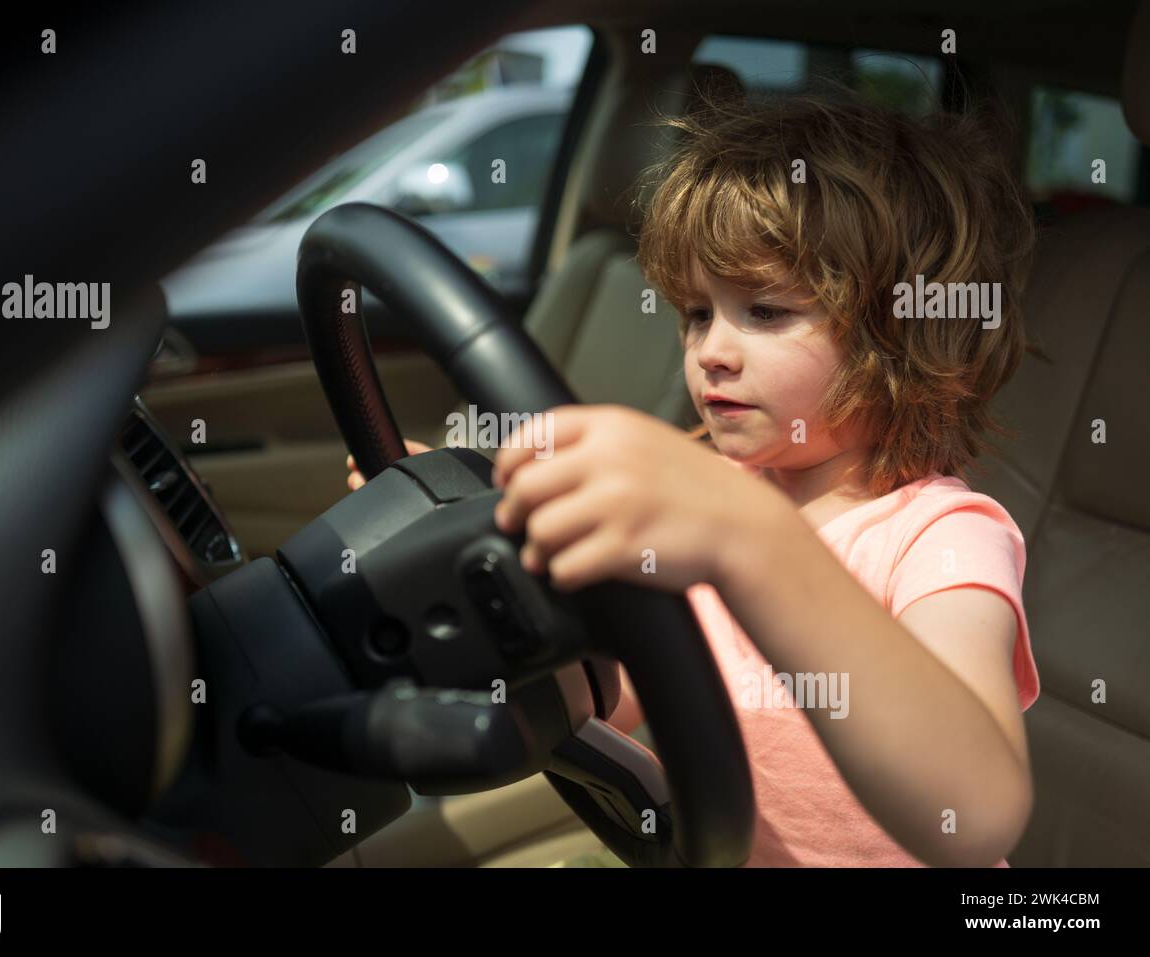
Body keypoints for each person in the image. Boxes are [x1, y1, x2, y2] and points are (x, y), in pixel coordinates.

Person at [347, 88, 1040, 868]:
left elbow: (973, 814)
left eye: (766, 312)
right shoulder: (710, 500)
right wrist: (467, 544)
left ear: (905, 334)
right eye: (697, 313)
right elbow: (616, 697)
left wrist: (753, 541)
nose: (711, 351)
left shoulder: (941, 537)